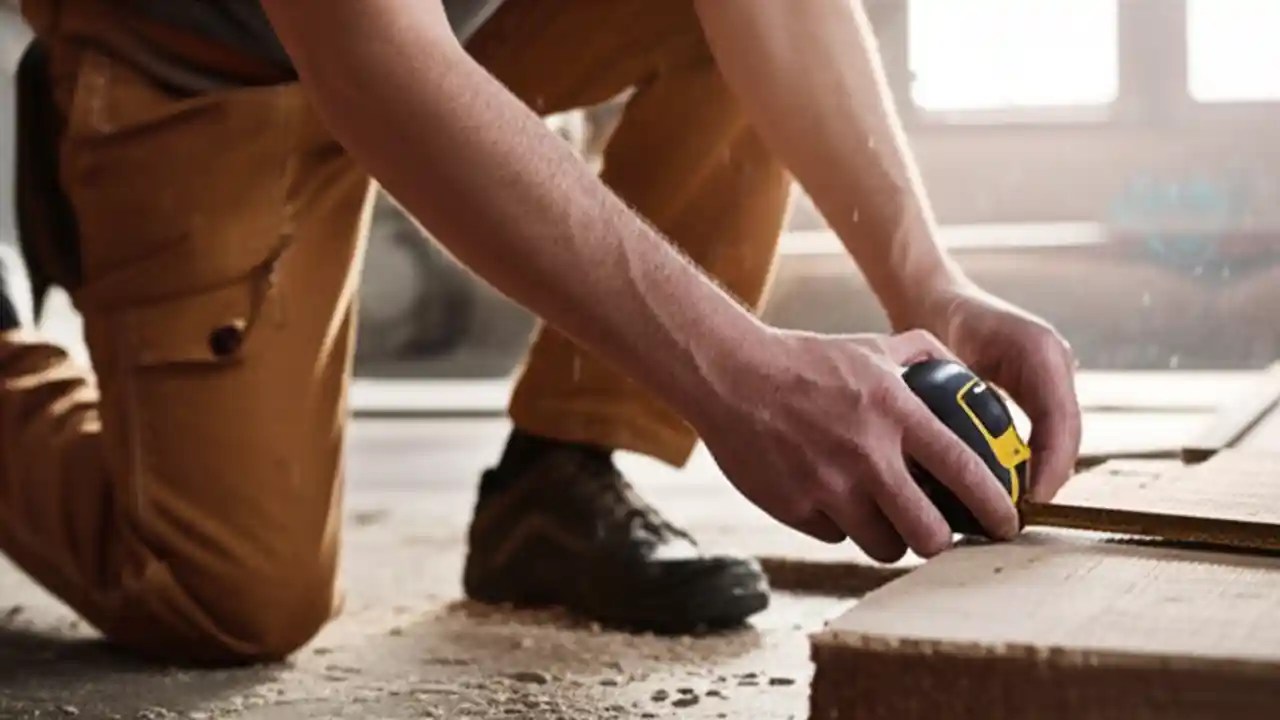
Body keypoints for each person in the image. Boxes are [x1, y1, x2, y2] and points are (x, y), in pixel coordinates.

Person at [1, 0, 1082, 664]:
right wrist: (739, 374)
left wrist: (929, 286)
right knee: (227, 601)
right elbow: (370, 51)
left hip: (450, 28)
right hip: (200, 65)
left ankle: (556, 484)